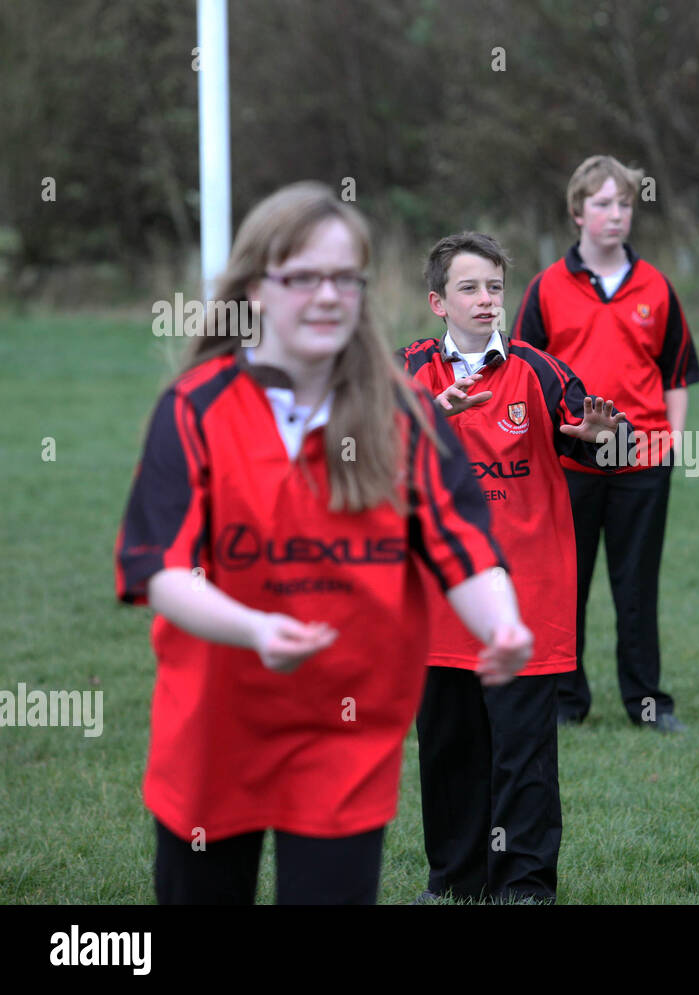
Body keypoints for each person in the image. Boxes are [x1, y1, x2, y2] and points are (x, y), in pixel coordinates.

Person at [114, 182, 532, 905]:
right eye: (303, 276)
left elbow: (464, 551)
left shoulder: (403, 415)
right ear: (255, 287)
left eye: (345, 277)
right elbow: (161, 571)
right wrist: (253, 629)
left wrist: (503, 624)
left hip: (347, 726)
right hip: (215, 726)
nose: (328, 295)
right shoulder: (195, 408)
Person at [399, 231, 630, 903]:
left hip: (526, 601)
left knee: (523, 754)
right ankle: (455, 880)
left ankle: (524, 885)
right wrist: (429, 415)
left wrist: (607, 437)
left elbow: (606, 449)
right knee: (449, 752)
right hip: (439, 600)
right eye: (469, 287)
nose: (485, 299)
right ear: (438, 301)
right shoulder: (408, 370)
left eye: (495, 287)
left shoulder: (541, 371)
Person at [515, 154, 699, 731]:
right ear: (577, 212)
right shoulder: (546, 287)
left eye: (624, 203)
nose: (616, 214)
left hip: (640, 458)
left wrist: (670, 443)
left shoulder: (657, 287)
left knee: (636, 587)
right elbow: (523, 375)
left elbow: (675, 375)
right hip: (570, 459)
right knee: (565, 586)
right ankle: (565, 702)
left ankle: (648, 704)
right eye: (602, 203)